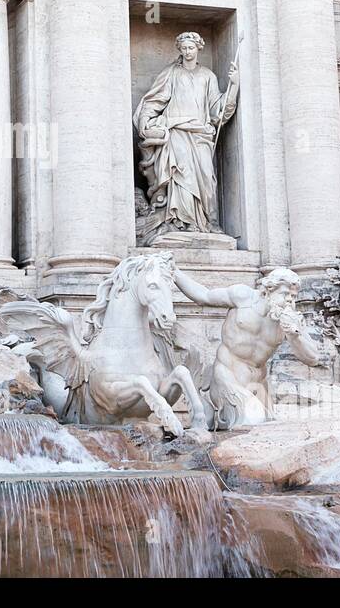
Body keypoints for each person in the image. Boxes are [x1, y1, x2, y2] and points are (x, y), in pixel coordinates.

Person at [175, 267, 325, 428]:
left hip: (259, 385)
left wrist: (295, 336)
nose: (290, 300)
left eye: (293, 296)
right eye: (284, 294)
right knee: (254, 421)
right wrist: (174, 273)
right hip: (227, 377)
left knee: (270, 430)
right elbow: (203, 296)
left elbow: (313, 358)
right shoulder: (243, 297)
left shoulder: (289, 319)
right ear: (268, 291)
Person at [134, 31, 237, 243]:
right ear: (179, 50)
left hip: (201, 135)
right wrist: (145, 120)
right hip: (177, 132)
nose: (188, 52)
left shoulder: (208, 76)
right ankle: (180, 221)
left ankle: (205, 222)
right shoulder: (171, 73)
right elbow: (155, 100)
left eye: (191, 48)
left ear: (199, 48)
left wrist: (234, 86)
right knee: (181, 176)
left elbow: (218, 109)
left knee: (206, 178)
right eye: (184, 48)